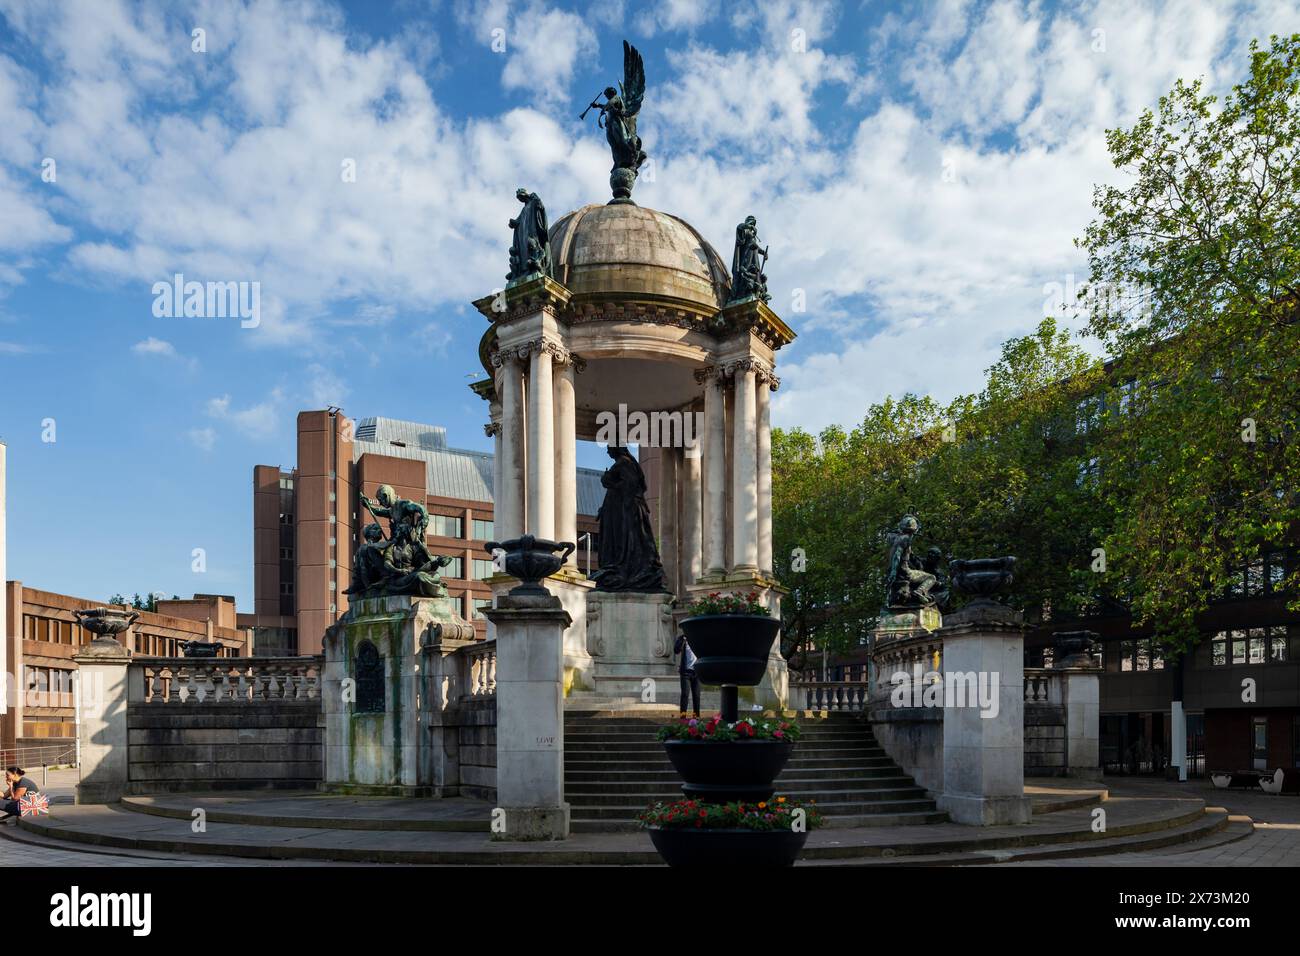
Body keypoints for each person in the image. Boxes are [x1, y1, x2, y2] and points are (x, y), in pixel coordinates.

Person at [674, 633, 700, 718]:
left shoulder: (698, 638)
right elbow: (676, 650)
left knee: (696, 696)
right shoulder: (682, 638)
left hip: (696, 672)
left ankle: (696, 717)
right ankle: (683, 717)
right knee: (685, 695)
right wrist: (683, 641)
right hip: (685, 673)